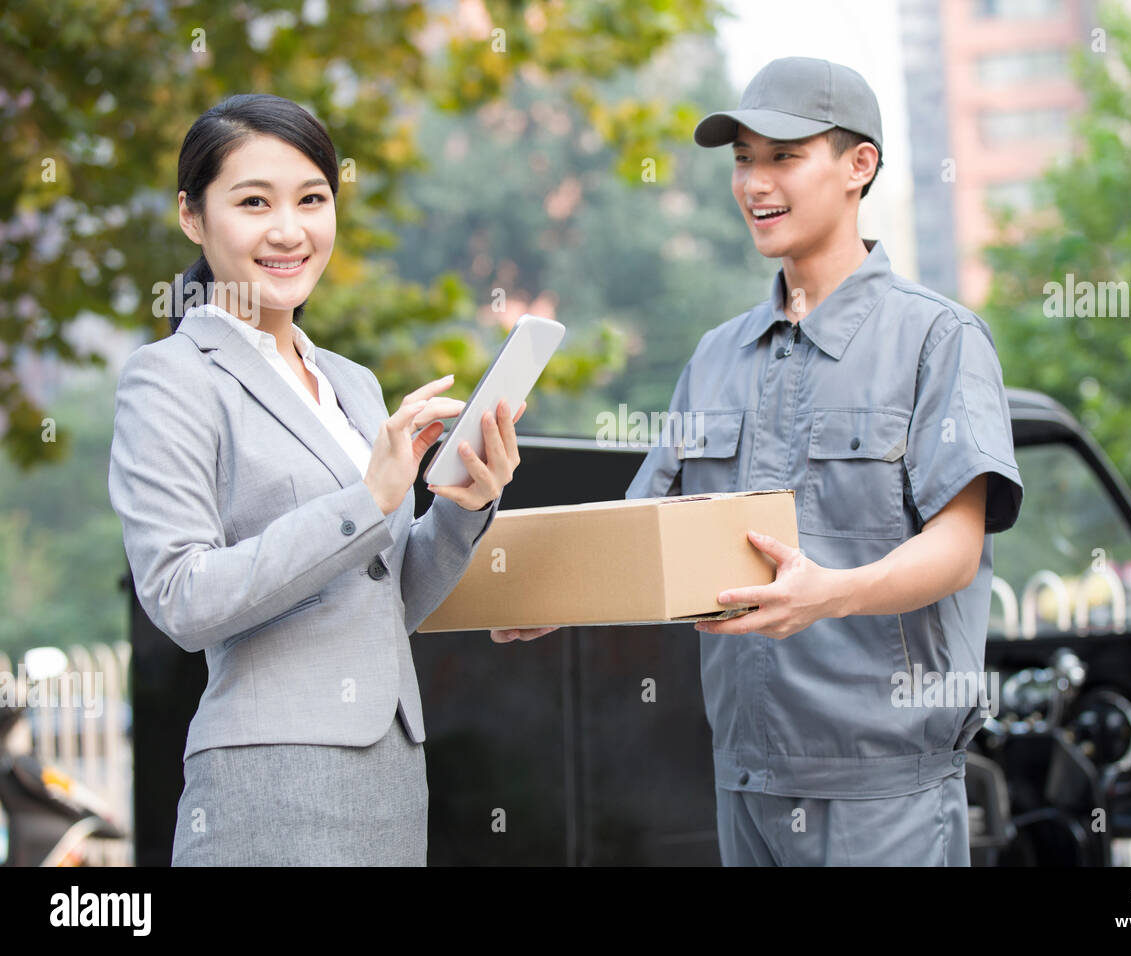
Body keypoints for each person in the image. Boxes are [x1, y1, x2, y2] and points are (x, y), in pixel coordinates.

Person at [496, 57, 1024, 866]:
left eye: (784, 155)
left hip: (886, 795)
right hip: (744, 784)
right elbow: (650, 534)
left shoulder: (937, 339)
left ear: (859, 166)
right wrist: (548, 590)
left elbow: (956, 551)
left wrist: (830, 596)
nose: (755, 182)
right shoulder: (716, 356)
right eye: (744, 158)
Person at [108, 94, 524, 866]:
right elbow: (183, 598)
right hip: (270, 783)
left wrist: (461, 508)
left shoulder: (352, 385)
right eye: (253, 202)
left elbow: (386, 599)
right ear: (192, 217)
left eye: (313, 199)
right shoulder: (168, 378)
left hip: (393, 776)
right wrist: (365, 500)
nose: (289, 230)